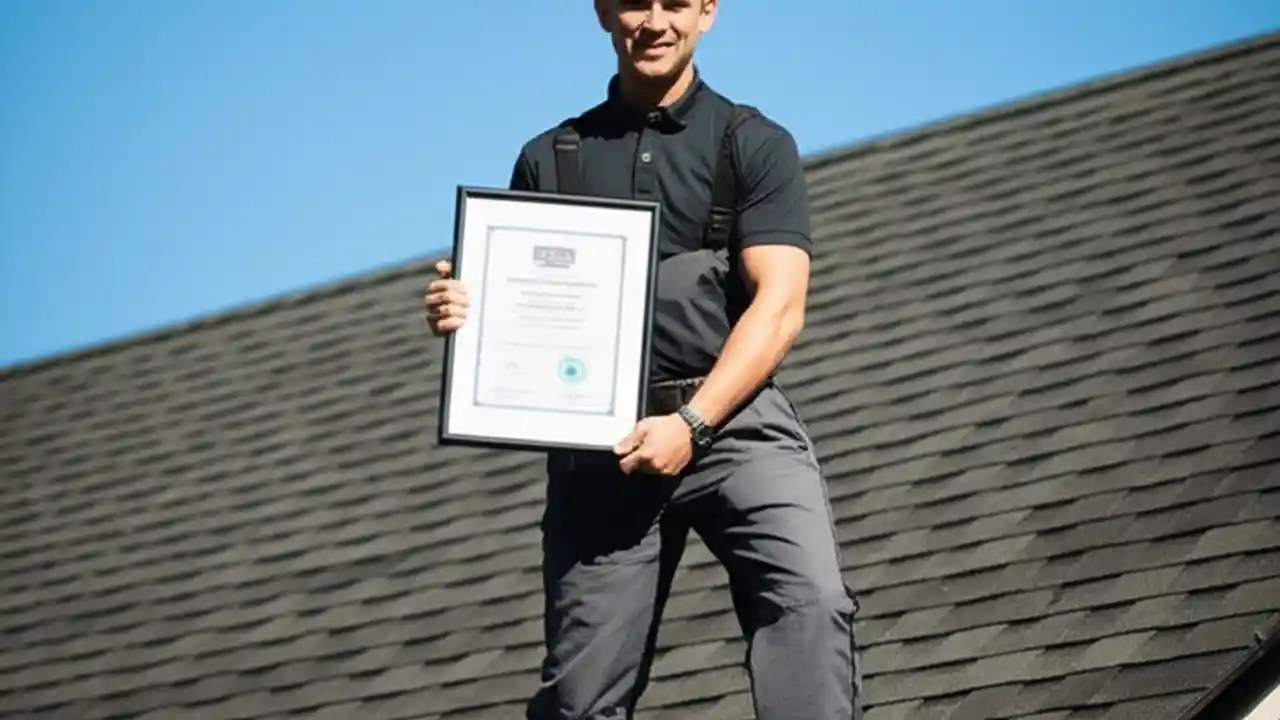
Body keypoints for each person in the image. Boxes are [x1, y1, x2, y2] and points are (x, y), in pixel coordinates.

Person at [424, 1, 863, 718]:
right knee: (578, 695)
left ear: (708, 12)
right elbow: (523, 309)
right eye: (634, 1)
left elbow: (780, 308)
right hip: (600, 447)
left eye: (676, 2)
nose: (654, 20)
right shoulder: (550, 156)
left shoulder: (750, 143)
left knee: (810, 607)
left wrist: (690, 423)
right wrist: (467, 311)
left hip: (735, 425)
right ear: (602, 11)